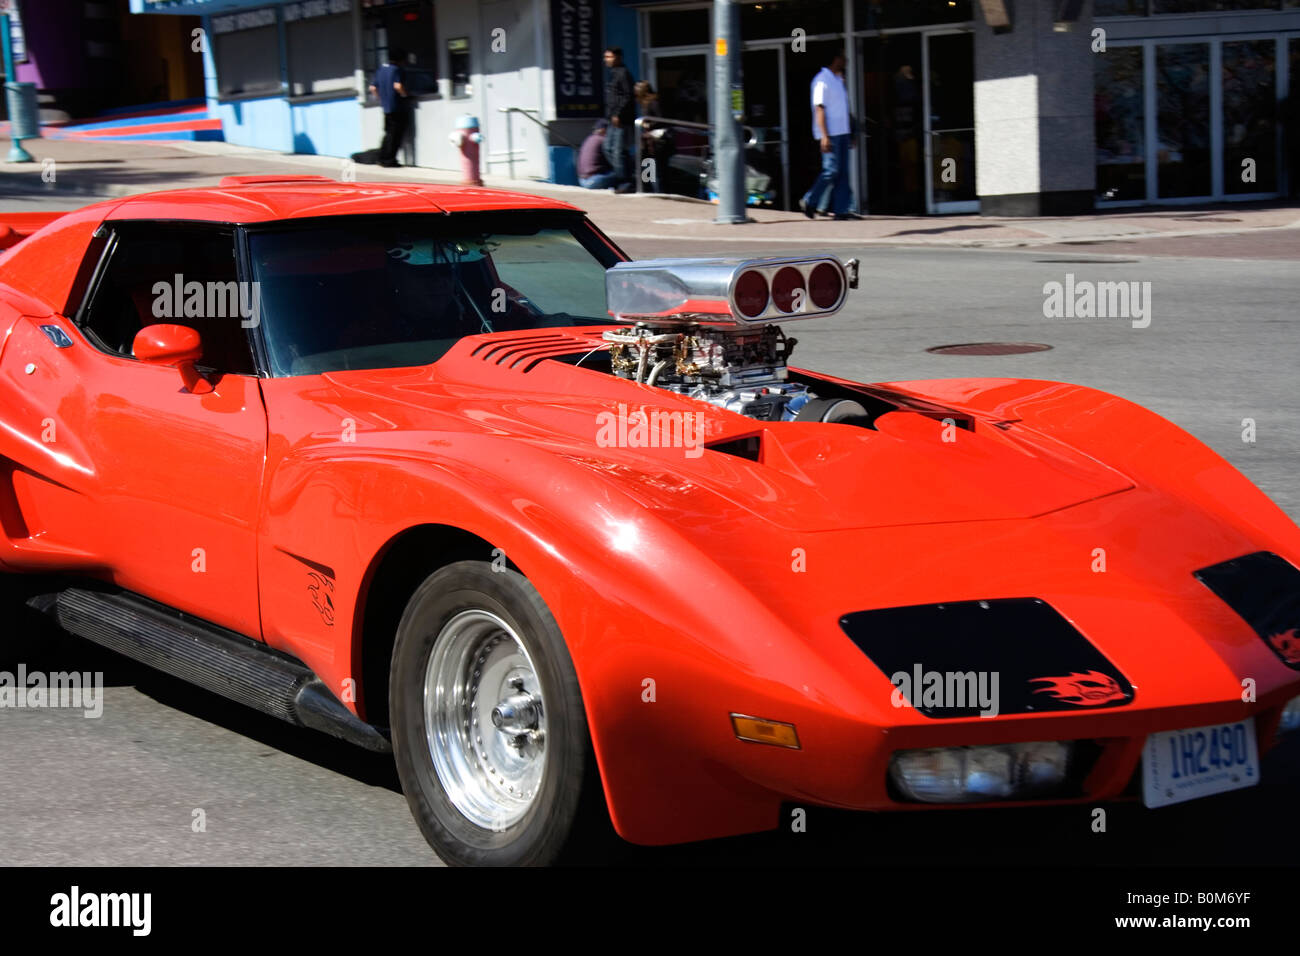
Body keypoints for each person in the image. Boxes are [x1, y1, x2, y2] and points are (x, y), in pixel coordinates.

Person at [801, 50, 858, 221]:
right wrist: (824, 135)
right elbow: (819, 108)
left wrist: (851, 132)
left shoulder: (839, 80)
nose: (846, 60)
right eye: (843, 57)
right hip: (830, 133)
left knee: (842, 173)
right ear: (835, 59)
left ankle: (841, 210)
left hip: (843, 132)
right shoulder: (821, 80)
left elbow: (844, 109)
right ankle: (809, 200)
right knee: (830, 170)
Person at [369, 49, 410, 167]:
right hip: (397, 107)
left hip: (385, 107)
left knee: (388, 133)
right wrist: (405, 94)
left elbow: (372, 88)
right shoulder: (397, 70)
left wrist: (381, 99)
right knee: (395, 134)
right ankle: (389, 160)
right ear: (400, 60)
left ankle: (382, 158)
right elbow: (398, 86)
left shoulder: (381, 69)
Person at [603, 47, 636, 192]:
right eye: (606, 57)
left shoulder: (623, 74)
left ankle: (626, 182)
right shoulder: (613, 74)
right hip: (612, 120)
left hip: (621, 120)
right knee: (608, 148)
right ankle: (626, 176)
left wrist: (618, 114)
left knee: (618, 151)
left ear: (618, 57)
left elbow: (628, 96)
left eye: (609, 57)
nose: (606, 60)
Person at [635, 81, 673, 193]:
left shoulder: (654, 102)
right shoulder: (647, 103)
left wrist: (648, 124)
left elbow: (661, 120)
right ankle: (649, 189)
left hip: (658, 141)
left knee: (660, 168)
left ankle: (660, 191)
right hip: (650, 141)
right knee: (648, 164)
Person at [578, 120, 620, 190]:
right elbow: (615, 160)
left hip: (582, 181)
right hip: (594, 181)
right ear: (604, 130)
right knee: (621, 174)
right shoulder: (603, 140)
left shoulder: (589, 139)